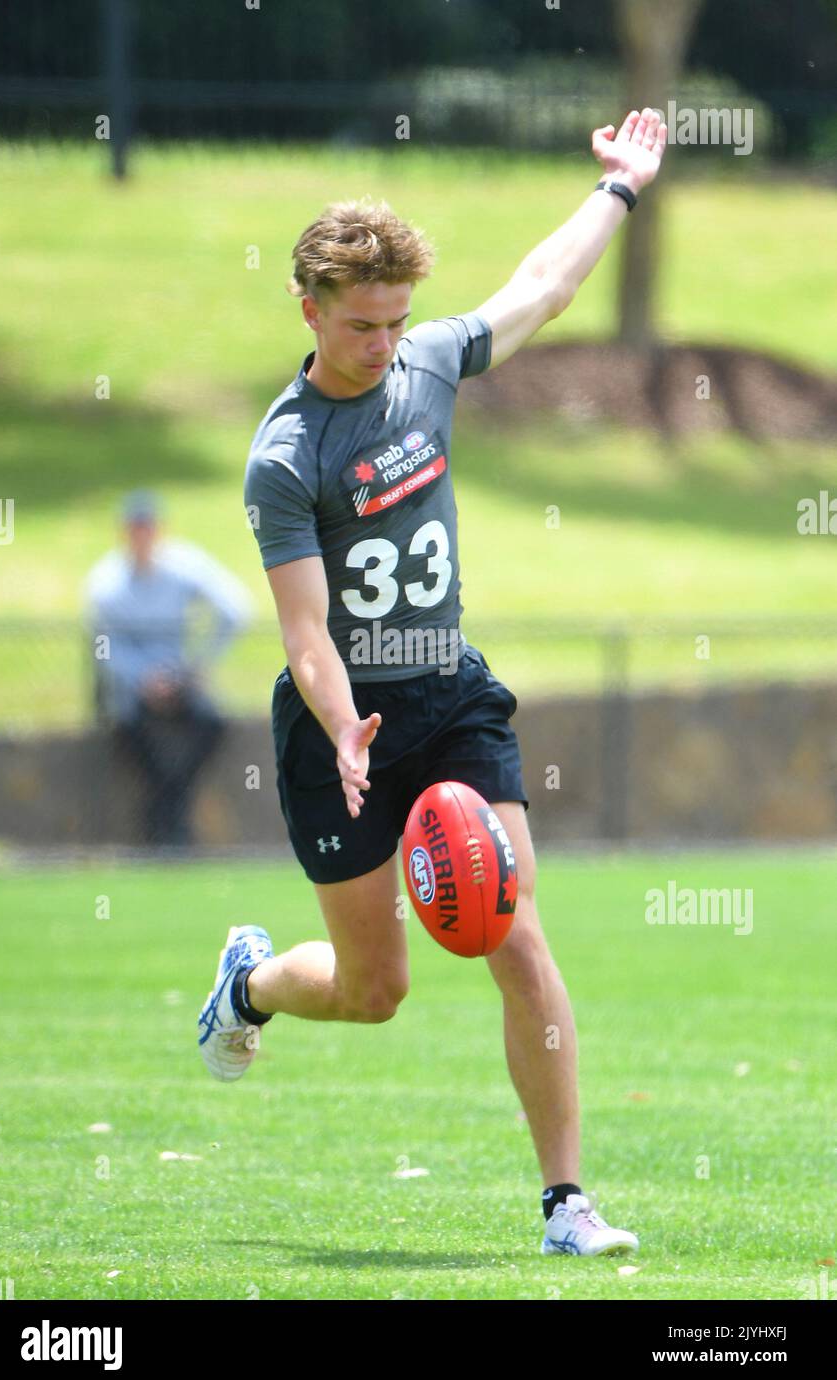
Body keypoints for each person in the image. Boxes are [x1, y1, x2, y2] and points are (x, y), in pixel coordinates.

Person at [198, 110, 668, 1255]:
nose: (383, 343)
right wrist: (339, 726)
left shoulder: (427, 359)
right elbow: (304, 629)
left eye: (398, 320)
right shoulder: (284, 456)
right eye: (362, 325)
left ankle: (565, 1204)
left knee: (515, 933)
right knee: (375, 990)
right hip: (340, 730)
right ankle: (250, 985)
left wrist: (618, 189)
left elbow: (542, 287)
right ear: (308, 307)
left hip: (449, 693)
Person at [85, 490, 253, 847]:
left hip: (181, 678)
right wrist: (142, 679)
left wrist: (196, 665)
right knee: (127, 728)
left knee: (211, 723)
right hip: (132, 688)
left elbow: (235, 608)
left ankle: (172, 800)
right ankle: (164, 807)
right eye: (135, 528)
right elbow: (104, 647)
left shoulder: (184, 566)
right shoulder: (106, 583)